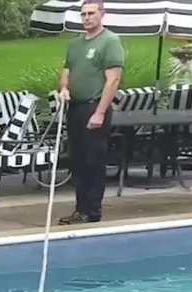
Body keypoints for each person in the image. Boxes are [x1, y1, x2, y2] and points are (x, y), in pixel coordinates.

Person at [57, 0, 124, 225]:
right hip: (75, 107)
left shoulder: (110, 42)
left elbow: (113, 79)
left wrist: (100, 112)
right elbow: (67, 70)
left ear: (101, 14)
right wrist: (64, 89)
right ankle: (80, 209)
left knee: (93, 161)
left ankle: (92, 211)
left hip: (94, 107)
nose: (87, 18)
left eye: (91, 13)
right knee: (77, 160)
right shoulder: (75, 44)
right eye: (83, 14)